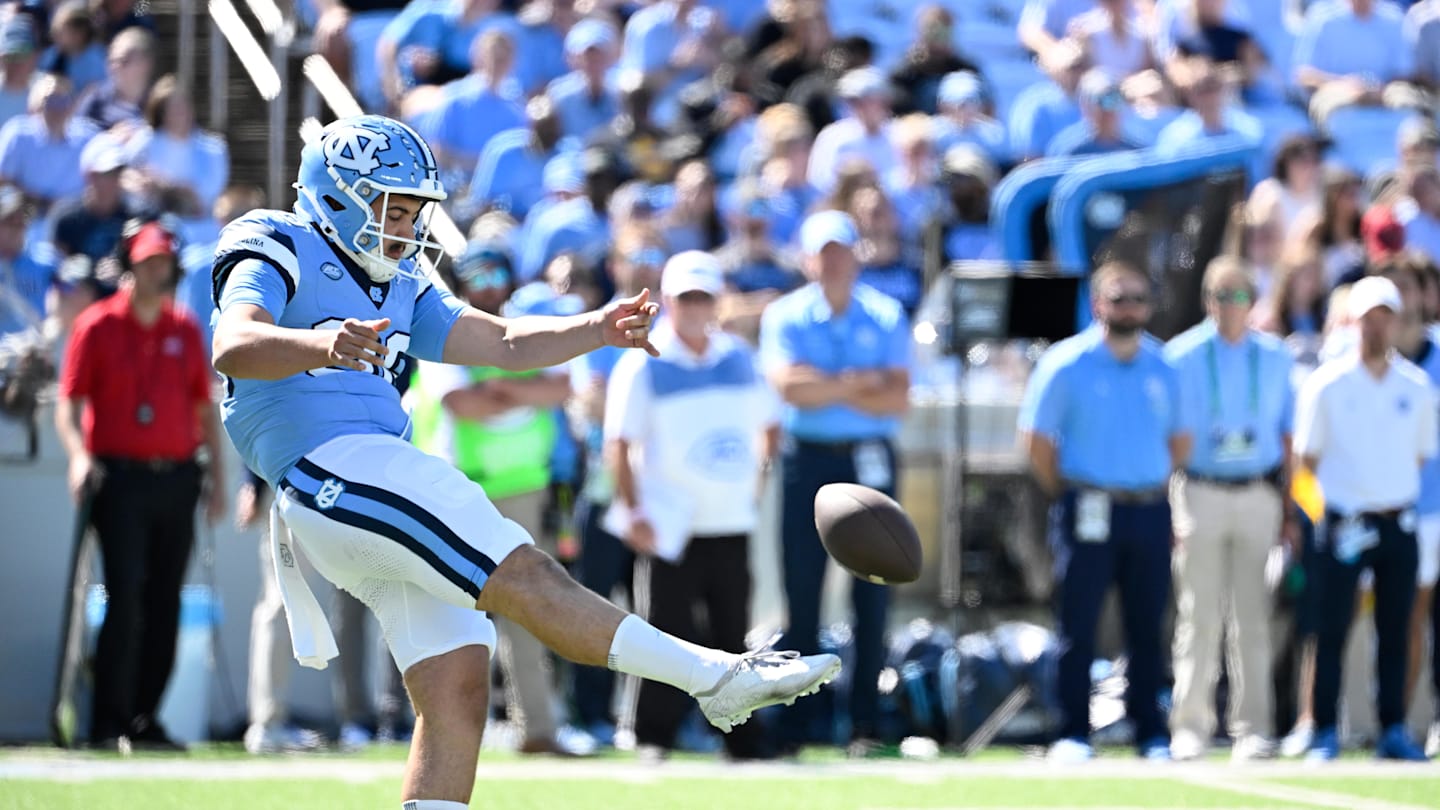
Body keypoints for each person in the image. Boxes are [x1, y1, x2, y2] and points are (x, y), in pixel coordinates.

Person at [208, 115, 838, 809]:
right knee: (527, 574)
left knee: (456, 686)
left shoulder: (398, 278)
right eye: (396, 207)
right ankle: (714, 677)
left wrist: (595, 328)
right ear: (337, 197)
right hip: (335, 467)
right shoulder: (277, 240)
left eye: (416, 210)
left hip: (354, 486)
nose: (408, 225)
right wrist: (321, 344)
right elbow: (234, 341)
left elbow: (502, 339)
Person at [409, 239, 589, 756]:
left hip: (526, 491)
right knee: (452, 621)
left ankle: (538, 728)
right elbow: (464, 403)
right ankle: (443, 729)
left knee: (531, 615)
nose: (488, 287)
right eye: (478, 277)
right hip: (465, 492)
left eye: (496, 275)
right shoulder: (446, 329)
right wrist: (520, 389)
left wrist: (506, 390)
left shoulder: (529, 328)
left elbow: (560, 389)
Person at [55, 216, 226, 751]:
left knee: (166, 602)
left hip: (177, 480)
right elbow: (69, 403)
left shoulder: (183, 328)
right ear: (130, 265)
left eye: (166, 264)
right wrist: (79, 457)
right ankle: (108, 721)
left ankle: (145, 719)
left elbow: (205, 409)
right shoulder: (97, 325)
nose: (162, 272)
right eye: (151, 263)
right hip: (120, 479)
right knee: (125, 598)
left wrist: (219, 478)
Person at [604, 251, 781, 761]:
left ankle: (742, 741)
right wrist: (633, 511)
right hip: (668, 527)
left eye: (704, 297)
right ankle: (653, 738)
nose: (695, 308)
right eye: (686, 298)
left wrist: (758, 479)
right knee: (664, 637)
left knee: (733, 636)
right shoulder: (643, 363)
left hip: (730, 522)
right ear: (667, 303)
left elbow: (770, 425)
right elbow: (618, 443)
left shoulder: (740, 358)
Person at [1018, 260, 1191, 764]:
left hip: (1148, 507)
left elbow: (1180, 442)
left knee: (1147, 625)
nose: (1128, 308)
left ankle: (1149, 732)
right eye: (1119, 298)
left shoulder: (1163, 367)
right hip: (1086, 504)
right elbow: (1036, 442)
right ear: (1098, 304)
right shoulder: (1065, 363)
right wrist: (1068, 489)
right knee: (1078, 623)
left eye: (1138, 298)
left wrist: (1145, 480)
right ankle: (1073, 730)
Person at [759, 210, 912, 757]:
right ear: (807, 260)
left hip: (869, 460)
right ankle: (800, 725)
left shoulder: (886, 313)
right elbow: (788, 389)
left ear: (856, 255)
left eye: (841, 251)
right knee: (802, 593)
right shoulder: (786, 315)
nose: (833, 263)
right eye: (822, 253)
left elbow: (897, 397)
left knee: (873, 595)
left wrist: (826, 384)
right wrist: (859, 382)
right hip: (808, 460)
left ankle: (865, 725)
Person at [1292, 275, 1436, 761]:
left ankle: (1392, 728)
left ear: (1397, 323)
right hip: (1344, 521)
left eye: (1384, 318)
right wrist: (1323, 517)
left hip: (1398, 522)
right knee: (1331, 628)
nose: (1376, 328)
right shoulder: (1327, 384)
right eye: (1367, 318)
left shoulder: (1416, 387)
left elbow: (1418, 456)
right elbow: (1305, 461)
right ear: (1353, 322)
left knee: (1396, 630)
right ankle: (1325, 729)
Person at [1163, 256, 1295, 762]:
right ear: (1206, 301)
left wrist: (1289, 511)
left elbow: (1288, 442)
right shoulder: (1182, 356)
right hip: (1200, 489)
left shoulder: (1277, 357)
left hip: (1258, 492)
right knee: (1197, 616)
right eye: (1220, 296)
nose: (1229, 306)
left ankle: (1253, 728)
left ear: (1253, 302)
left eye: (1239, 296)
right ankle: (1191, 726)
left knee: (1253, 617)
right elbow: (1170, 437)